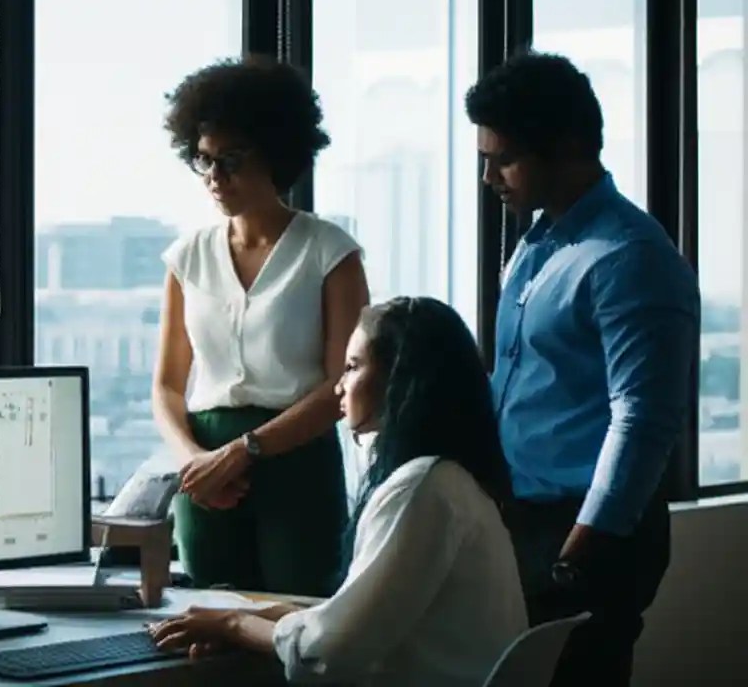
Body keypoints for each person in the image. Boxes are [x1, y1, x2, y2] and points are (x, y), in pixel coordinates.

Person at [465, 51, 700, 685]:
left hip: (587, 528)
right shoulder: (535, 244)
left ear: (567, 147)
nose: (489, 177)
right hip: (525, 518)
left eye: (503, 158)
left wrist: (582, 546)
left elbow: (643, 417)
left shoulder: (629, 257)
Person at [148, 297, 528, 686]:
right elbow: (351, 620)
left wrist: (233, 623)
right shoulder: (451, 481)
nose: (339, 387)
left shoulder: (421, 489)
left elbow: (327, 653)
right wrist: (267, 617)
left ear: (399, 376)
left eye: (352, 367)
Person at [150, 56, 369, 598]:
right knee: (205, 628)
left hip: (295, 461)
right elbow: (168, 385)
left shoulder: (329, 252)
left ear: (274, 153)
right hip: (204, 474)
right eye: (204, 161)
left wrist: (244, 451)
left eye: (231, 160)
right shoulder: (187, 257)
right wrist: (192, 460)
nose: (215, 178)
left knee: (295, 630)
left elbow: (341, 385)